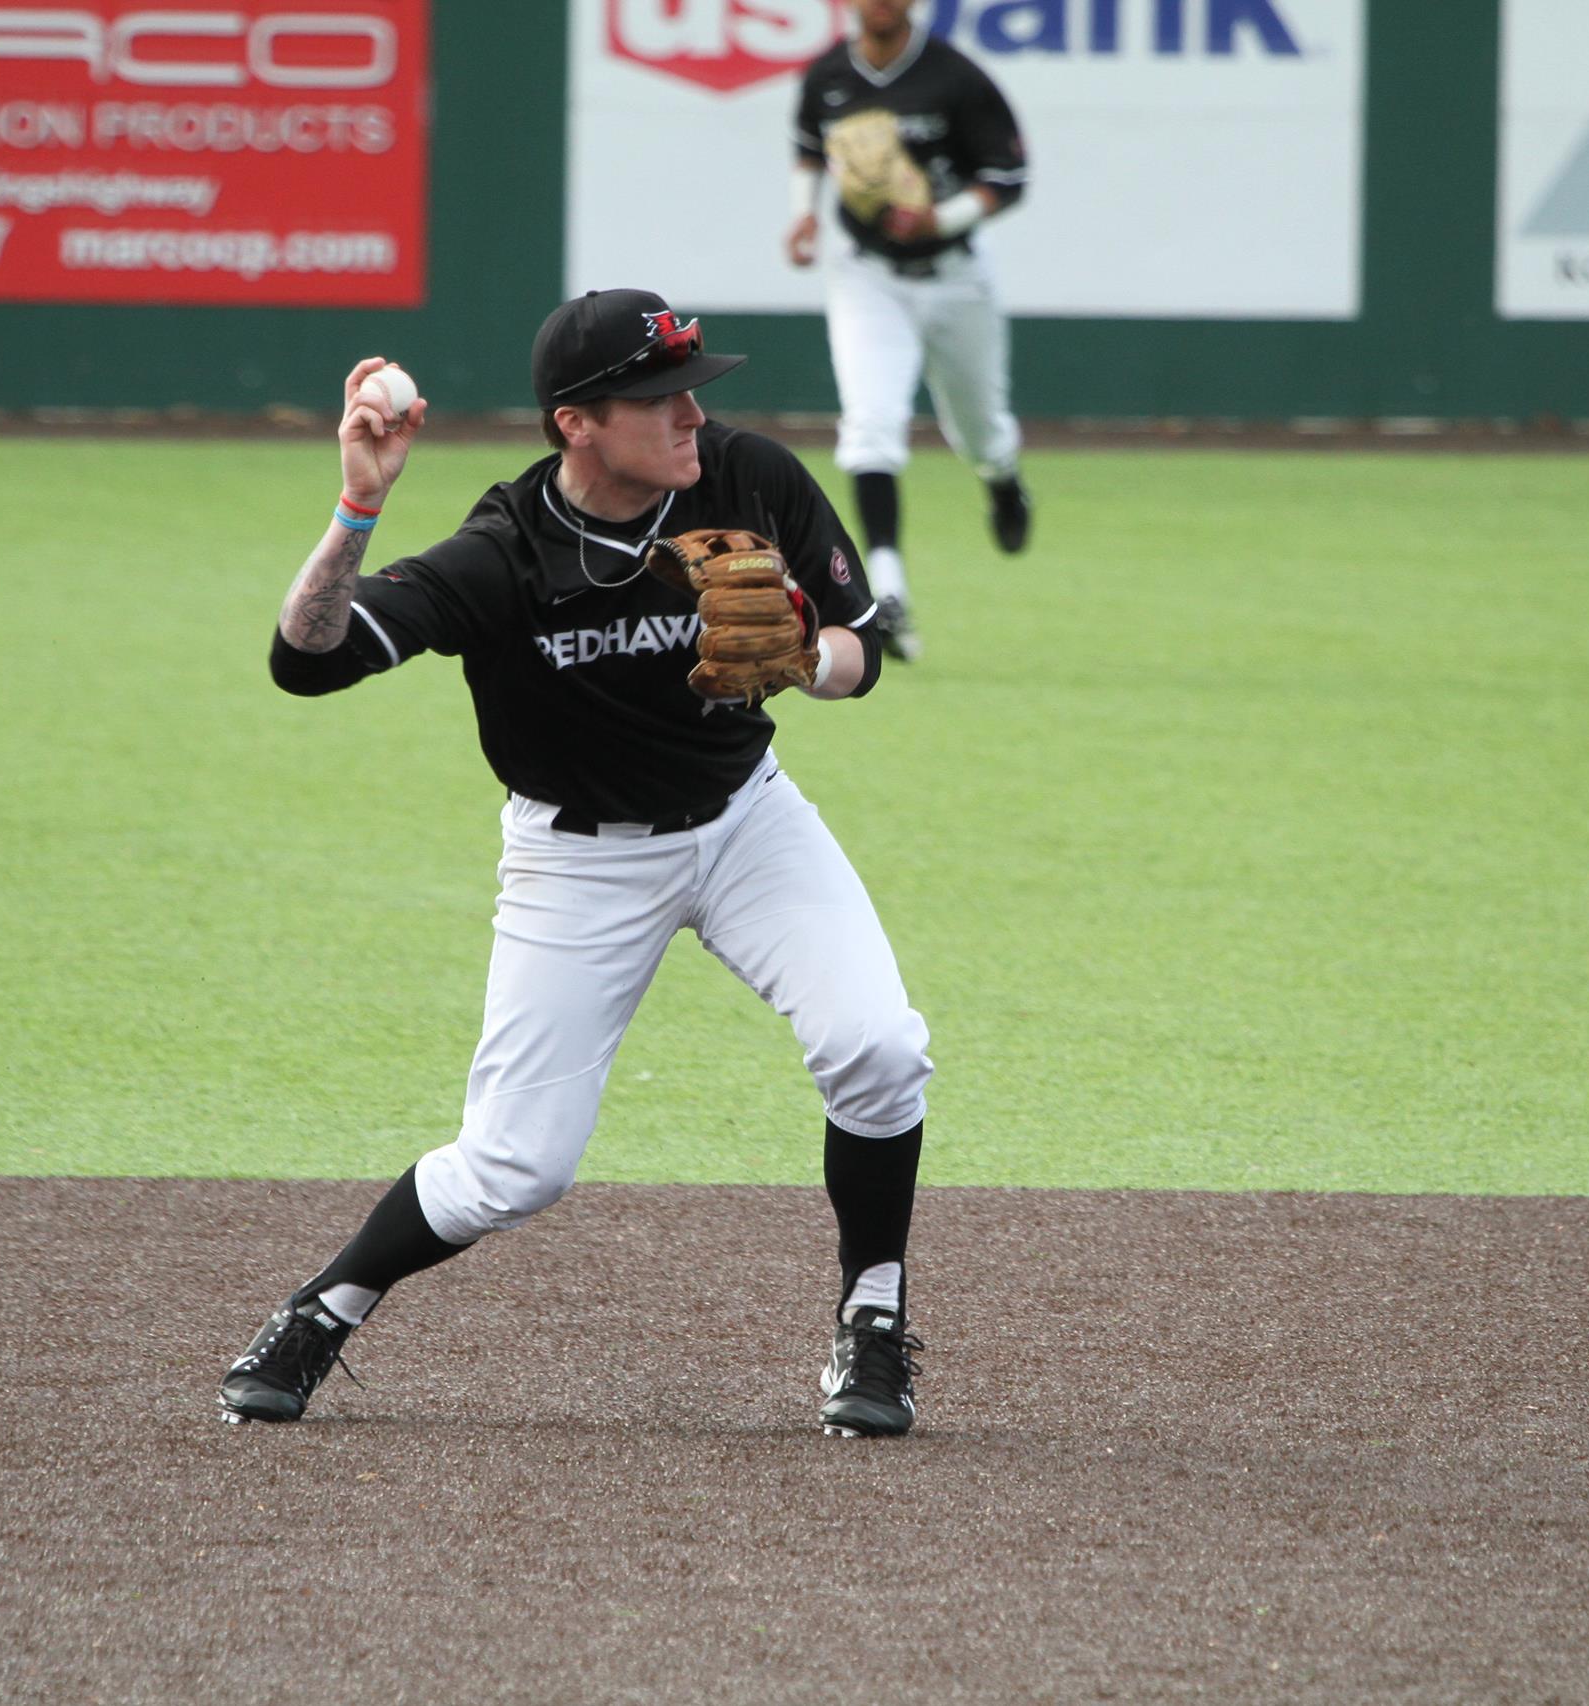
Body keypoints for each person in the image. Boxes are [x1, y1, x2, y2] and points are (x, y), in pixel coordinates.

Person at [218, 289, 934, 1439]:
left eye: (695, 385)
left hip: (745, 818)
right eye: (659, 397)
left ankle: (875, 1316)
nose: (693, 414)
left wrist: (806, 651)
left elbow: (862, 655)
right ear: (577, 424)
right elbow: (307, 661)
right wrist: (359, 503)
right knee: (514, 1168)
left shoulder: (751, 477)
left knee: (880, 1046)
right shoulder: (503, 553)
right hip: (578, 863)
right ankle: (322, 1308)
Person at [786, 0, 1032, 664]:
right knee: (870, 423)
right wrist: (804, 217)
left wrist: (940, 219)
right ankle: (887, 593)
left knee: (978, 428)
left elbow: (1008, 179)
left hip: (956, 276)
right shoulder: (828, 77)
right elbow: (810, 151)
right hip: (868, 276)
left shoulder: (956, 78)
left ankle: (1001, 474)